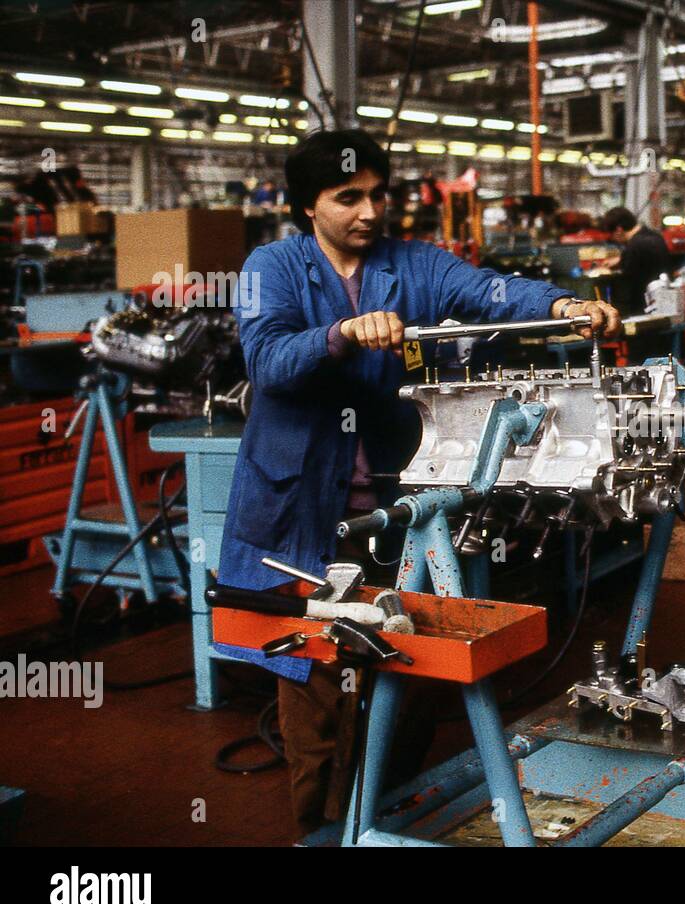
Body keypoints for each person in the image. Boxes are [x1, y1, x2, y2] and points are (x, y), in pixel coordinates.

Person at [217, 129, 620, 834]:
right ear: (307, 205)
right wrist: (341, 332)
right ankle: (322, 834)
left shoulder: (411, 264)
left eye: (380, 195)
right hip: (306, 521)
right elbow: (269, 361)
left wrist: (561, 306)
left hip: (398, 518)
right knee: (318, 695)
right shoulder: (270, 266)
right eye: (350, 198)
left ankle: (388, 822)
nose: (371, 211)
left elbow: (488, 289)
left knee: (405, 676)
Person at [599, 206, 672, 313]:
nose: (614, 240)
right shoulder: (656, 236)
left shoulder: (633, 246)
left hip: (643, 308)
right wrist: (621, 259)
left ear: (619, 230)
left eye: (612, 235)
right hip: (665, 302)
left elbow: (628, 284)